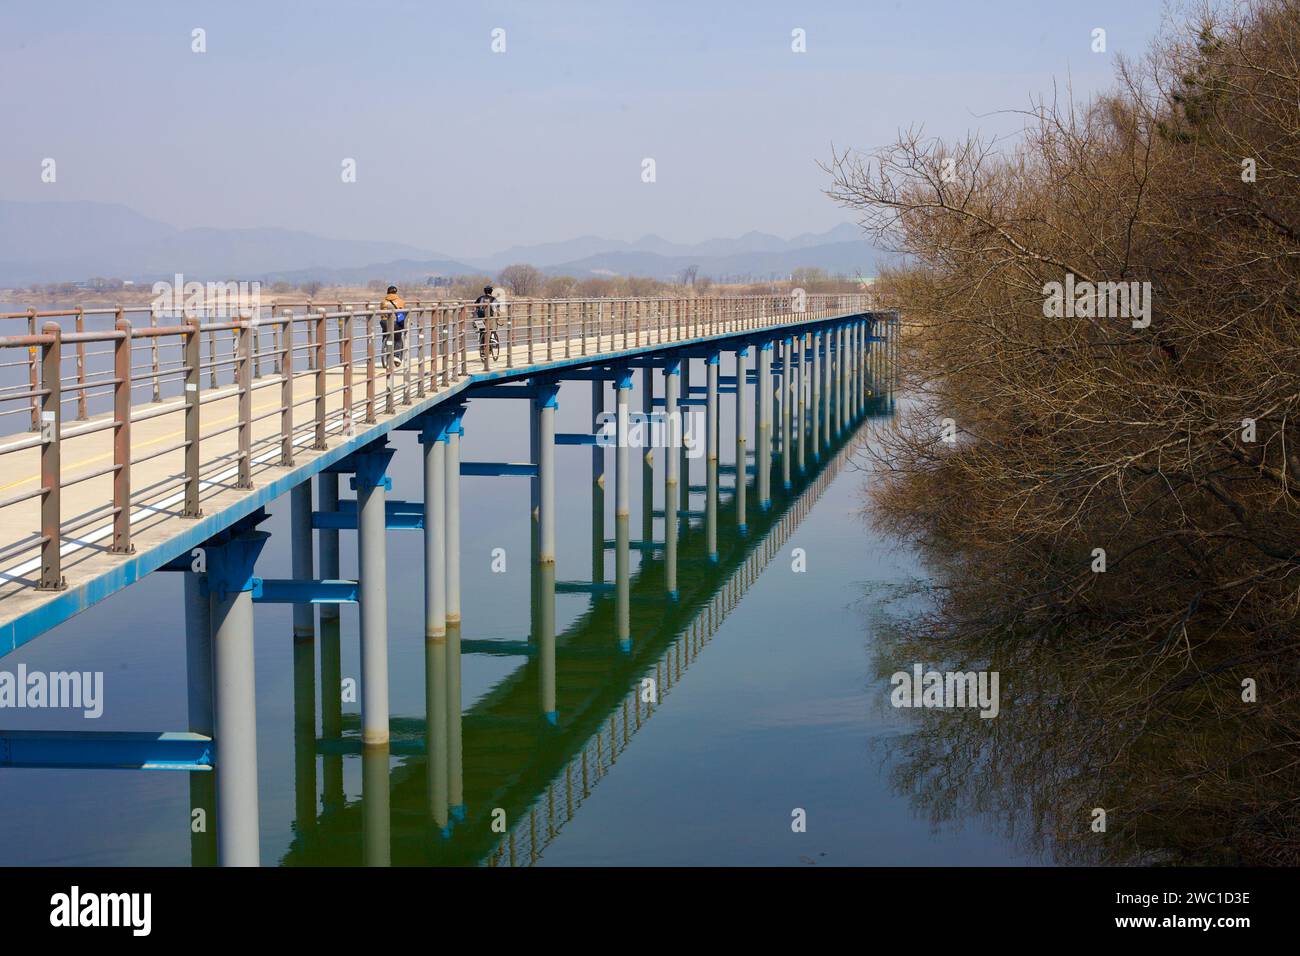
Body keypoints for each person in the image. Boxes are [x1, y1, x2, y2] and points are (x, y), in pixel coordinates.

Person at [380, 285, 407, 366]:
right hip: (395, 323)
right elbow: (403, 314)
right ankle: (396, 355)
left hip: (384, 323)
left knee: (385, 332)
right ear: (396, 292)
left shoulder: (383, 302)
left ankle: (385, 345)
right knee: (398, 338)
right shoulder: (401, 301)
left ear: (387, 292)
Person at [474, 285, 498, 361]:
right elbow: (496, 309)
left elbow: (475, 306)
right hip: (489, 318)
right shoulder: (493, 299)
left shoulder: (480, 298)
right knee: (490, 330)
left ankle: (482, 347)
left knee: (482, 332)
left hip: (480, 319)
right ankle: (488, 346)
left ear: (484, 291)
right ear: (491, 291)